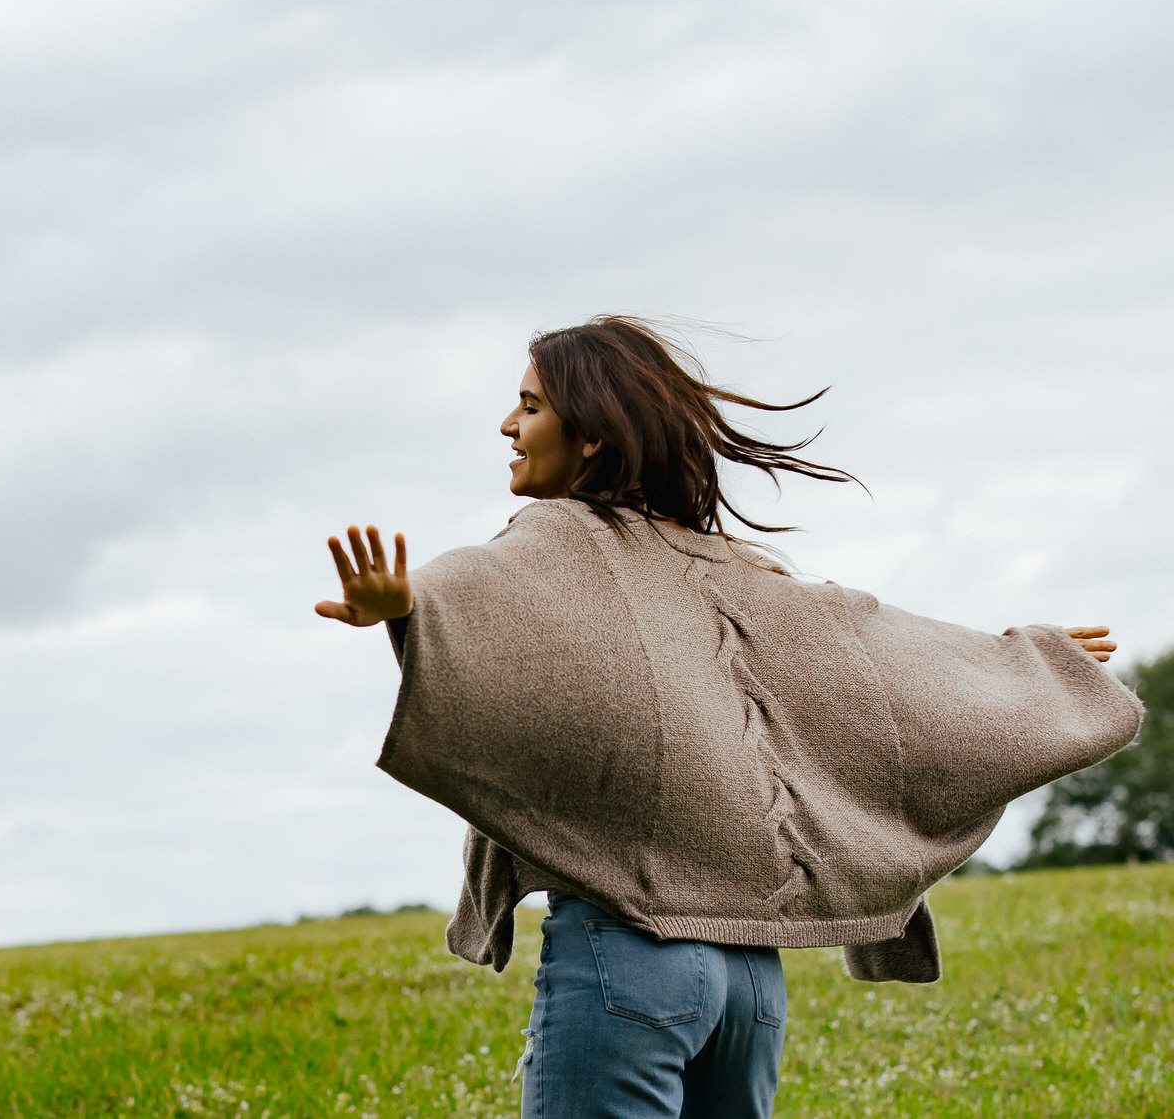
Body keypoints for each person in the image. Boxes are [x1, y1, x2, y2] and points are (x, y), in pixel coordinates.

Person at [314, 316, 1138, 1119]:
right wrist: (1021, 664)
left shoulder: (557, 537)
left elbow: (479, 593)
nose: (508, 425)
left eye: (529, 406)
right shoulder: (740, 575)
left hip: (626, 957)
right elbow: (880, 650)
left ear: (590, 436)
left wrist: (408, 606)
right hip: (752, 983)